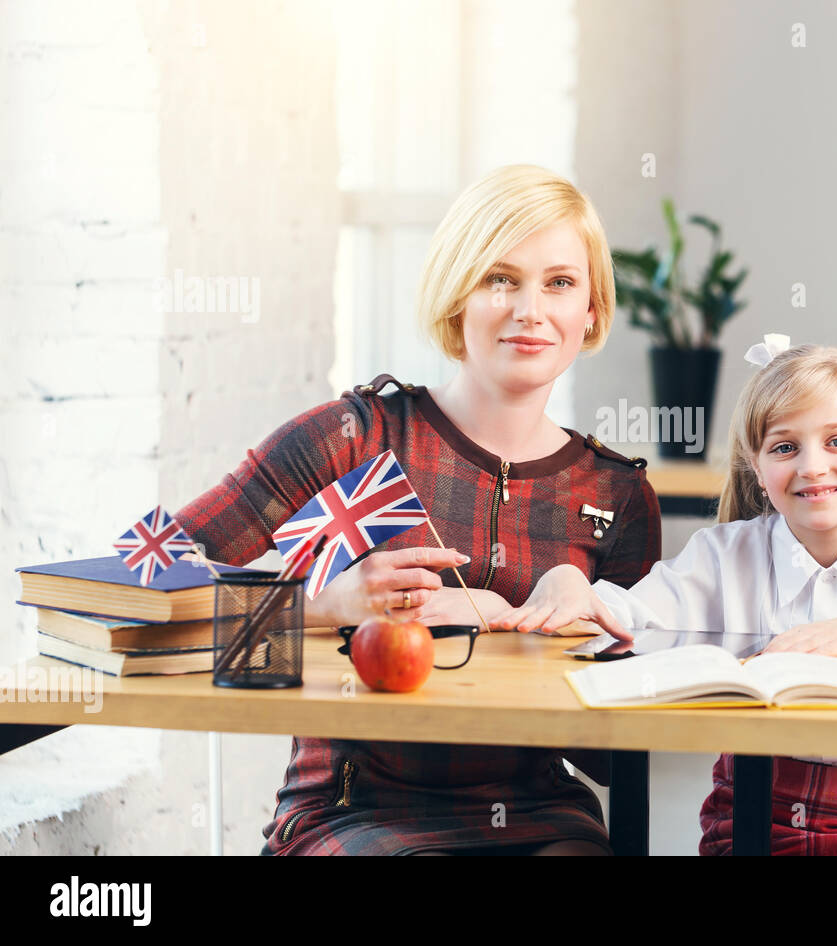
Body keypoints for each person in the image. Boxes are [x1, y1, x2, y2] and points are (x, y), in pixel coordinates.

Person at [176, 165, 661, 855]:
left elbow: (618, 760)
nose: (530, 308)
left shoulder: (616, 494)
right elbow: (136, 582)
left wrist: (586, 624)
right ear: (458, 295)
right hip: (350, 814)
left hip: (540, 813)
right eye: (500, 278)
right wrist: (326, 605)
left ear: (590, 310)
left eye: (559, 283)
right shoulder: (355, 437)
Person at [492, 324, 837, 855]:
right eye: (785, 447)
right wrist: (575, 588)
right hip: (749, 810)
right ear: (756, 463)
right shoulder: (724, 553)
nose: (812, 466)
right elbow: (630, 615)